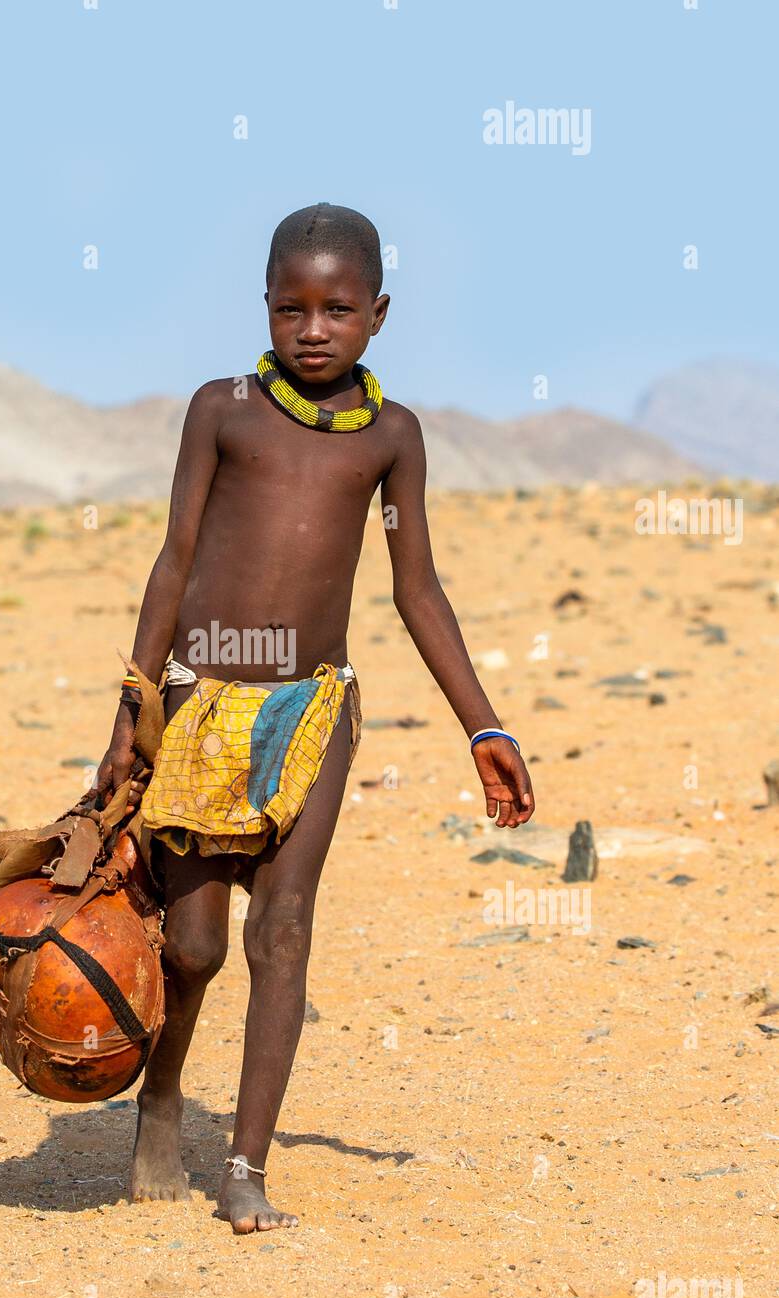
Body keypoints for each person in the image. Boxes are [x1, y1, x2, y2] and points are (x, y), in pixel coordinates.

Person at [94, 203, 535, 1235]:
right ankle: (160, 1097)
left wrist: (484, 727)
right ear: (264, 306)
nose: (312, 328)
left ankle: (245, 1165)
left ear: (377, 314)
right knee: (195, 945)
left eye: (337, 309)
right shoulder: (223, 411)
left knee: (281, 933)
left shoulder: (390, 438)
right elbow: (174, 556)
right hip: (202, 700)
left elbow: (415, 589)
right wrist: (133, 702)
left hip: (313, 710)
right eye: (290, 307)